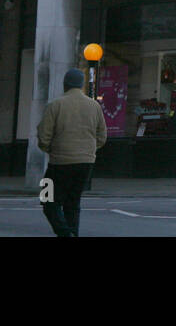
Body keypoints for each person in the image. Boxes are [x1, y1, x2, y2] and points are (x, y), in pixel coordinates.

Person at [37, 68, 107, 237]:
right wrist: (88, 150)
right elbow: (102, 136)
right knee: (73, 202)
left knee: (47, 200)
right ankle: (73, 232)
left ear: (65, 84)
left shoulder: (55, 105)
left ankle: (65, 233)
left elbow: (43, 136)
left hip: (59, 163)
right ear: (81, 85)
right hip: (86, 163)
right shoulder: (94, 106)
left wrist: (51, 150)